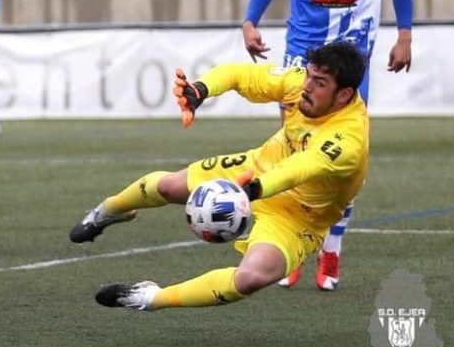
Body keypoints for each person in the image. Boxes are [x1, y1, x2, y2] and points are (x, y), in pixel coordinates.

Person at [68, 42, 369, 312]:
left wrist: (256, 189)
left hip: (299, 216)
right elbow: (238, 75)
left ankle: (148, 297)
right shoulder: (298, 82)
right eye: (309, 76)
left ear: (344, 94)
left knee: (251, 278)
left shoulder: (348, 139)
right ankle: (107, 211)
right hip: (256, 169)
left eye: (319, 83)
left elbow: (302, 168)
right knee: (169, 186)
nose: (307, 86)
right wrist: (200, 90)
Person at [240, 0, 413, 291]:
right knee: (294, 149)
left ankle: (331, 249)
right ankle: (292, 245)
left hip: (351, 60)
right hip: (302, 57)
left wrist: (405, 35)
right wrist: (250, 21)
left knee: (341, 157)